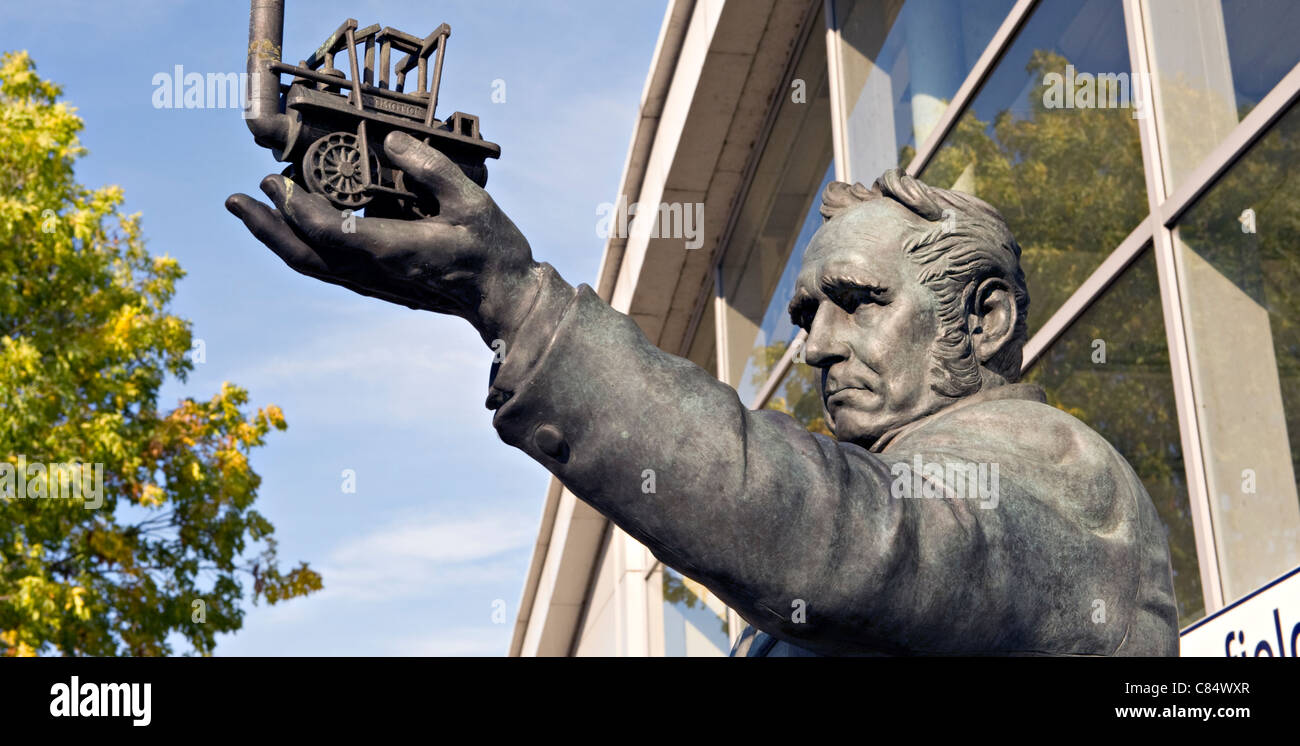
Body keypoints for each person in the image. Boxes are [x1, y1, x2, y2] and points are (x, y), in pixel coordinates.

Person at [226, 130, 1180, 656]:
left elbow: (853, 545)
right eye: (808, 315)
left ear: (987, 321)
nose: (816, 348)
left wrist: (517, 303)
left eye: (857, 303)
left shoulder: (1059, 477)